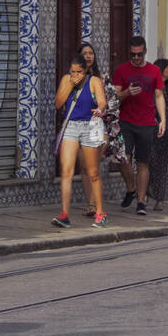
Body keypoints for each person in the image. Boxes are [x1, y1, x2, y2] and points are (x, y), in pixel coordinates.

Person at [79, 41, 137, 210]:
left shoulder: (102, 78)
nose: (88, 56)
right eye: (85, 53)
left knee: (92, 165)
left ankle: (94, 205)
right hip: (79, 127)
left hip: (100, 126)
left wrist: (100, 113)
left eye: (91, 53)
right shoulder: (73, 79)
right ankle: (90, 203)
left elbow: (113, 102)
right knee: (84, 168)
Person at [112, 36, 166, 216]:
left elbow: (158, 96)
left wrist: (163, 119)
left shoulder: (154, 71)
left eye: (139, 54)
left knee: (143, 162)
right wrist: (127, 92)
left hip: (147, 123)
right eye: (132, 55)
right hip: (125, 122)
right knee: (123, 158)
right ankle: (131, 188)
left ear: (145, 52)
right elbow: (114, 97)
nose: (136, 58)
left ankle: (141, 201)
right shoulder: (121, 70)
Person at [52, 55, 108, 228]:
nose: (75, 74)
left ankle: (100, 212)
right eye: (73, 71)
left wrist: (99, 109)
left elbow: (102, 101)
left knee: (93, 172)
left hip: (89, 126)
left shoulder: (94, 81)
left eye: (79, 72)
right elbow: (58, 103)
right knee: (66, 172)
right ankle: (64, 214)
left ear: (86, 71)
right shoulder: (66, 80)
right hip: (71, 127)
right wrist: (70, 85)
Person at [149, 57, 168, 210]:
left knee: (163, 164)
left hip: (167, 130)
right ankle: (146, 195)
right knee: (150, 161)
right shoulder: (152, 87)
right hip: (151, 127)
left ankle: (159, 199)